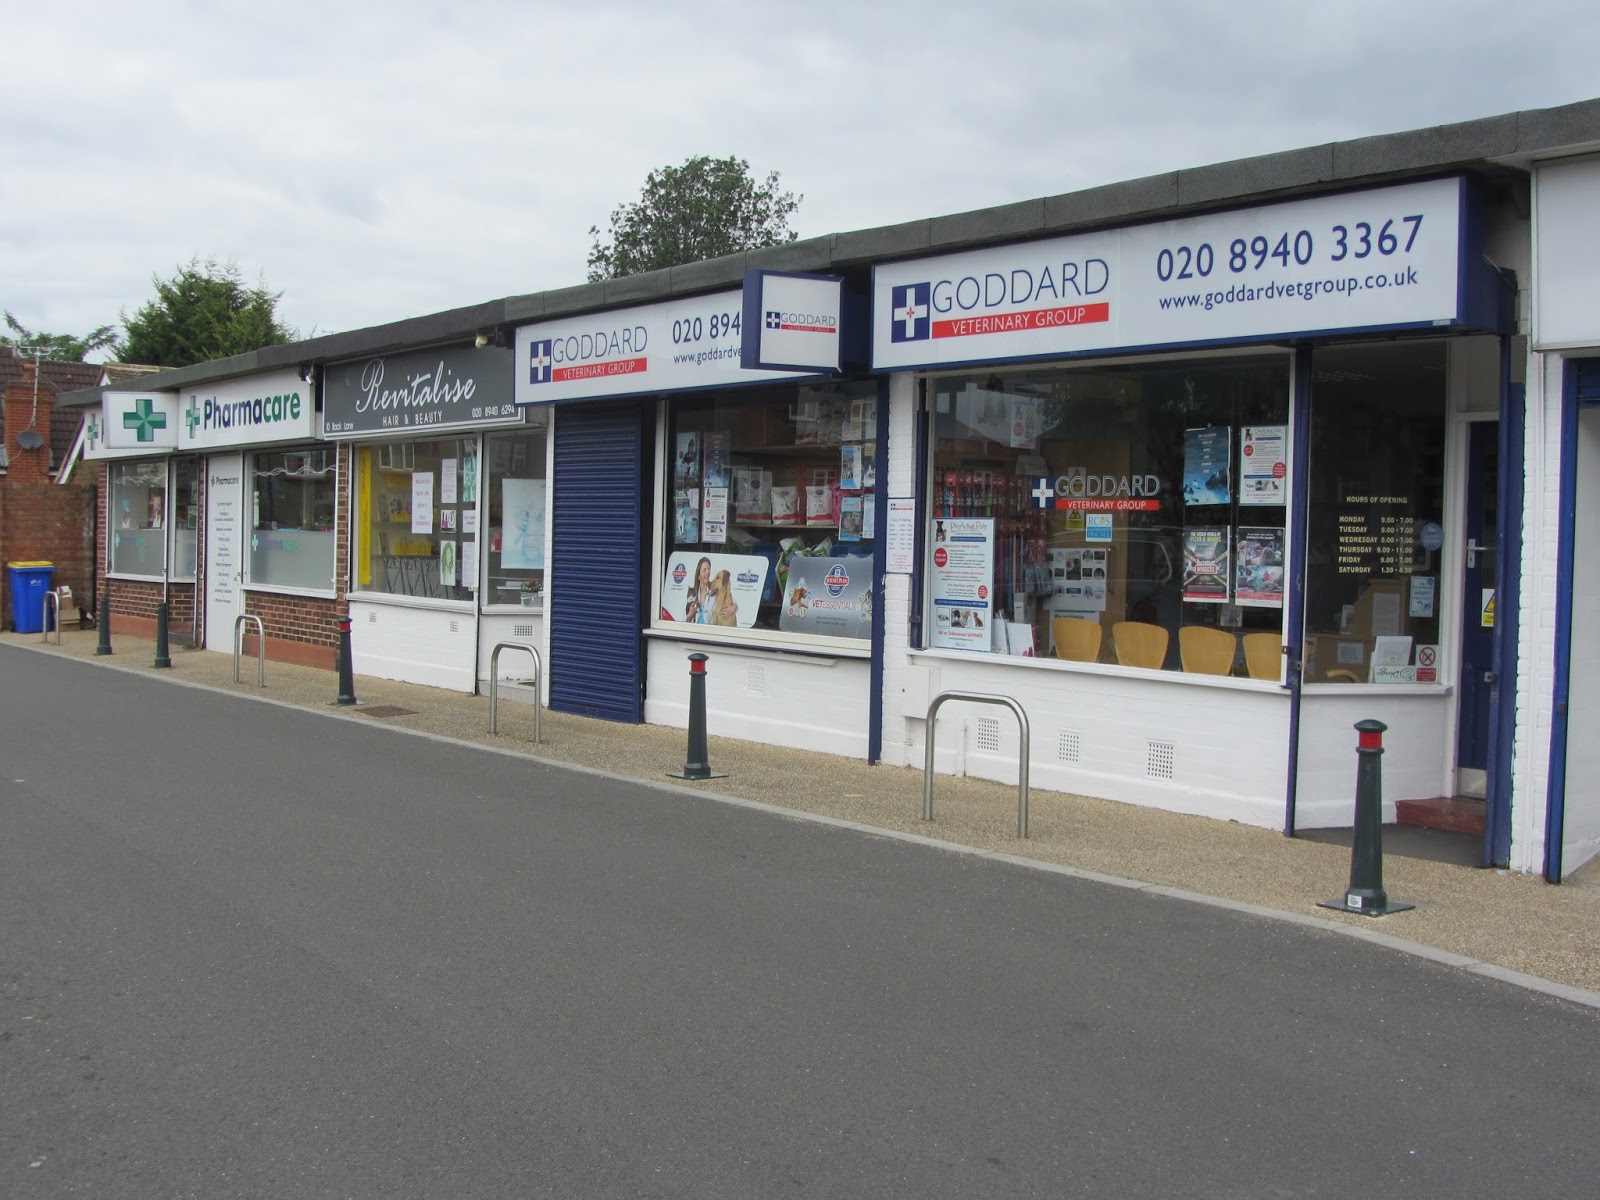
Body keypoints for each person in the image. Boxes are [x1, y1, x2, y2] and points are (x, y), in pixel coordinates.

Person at [684, 556, 714, 623]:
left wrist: (733, 607)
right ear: (698, 576)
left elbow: (731, 600)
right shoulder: (692, 595)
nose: (707, 572)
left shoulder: (714, 591)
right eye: (704, 570)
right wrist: (690, 615)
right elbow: (685, 624)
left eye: (709, 569)